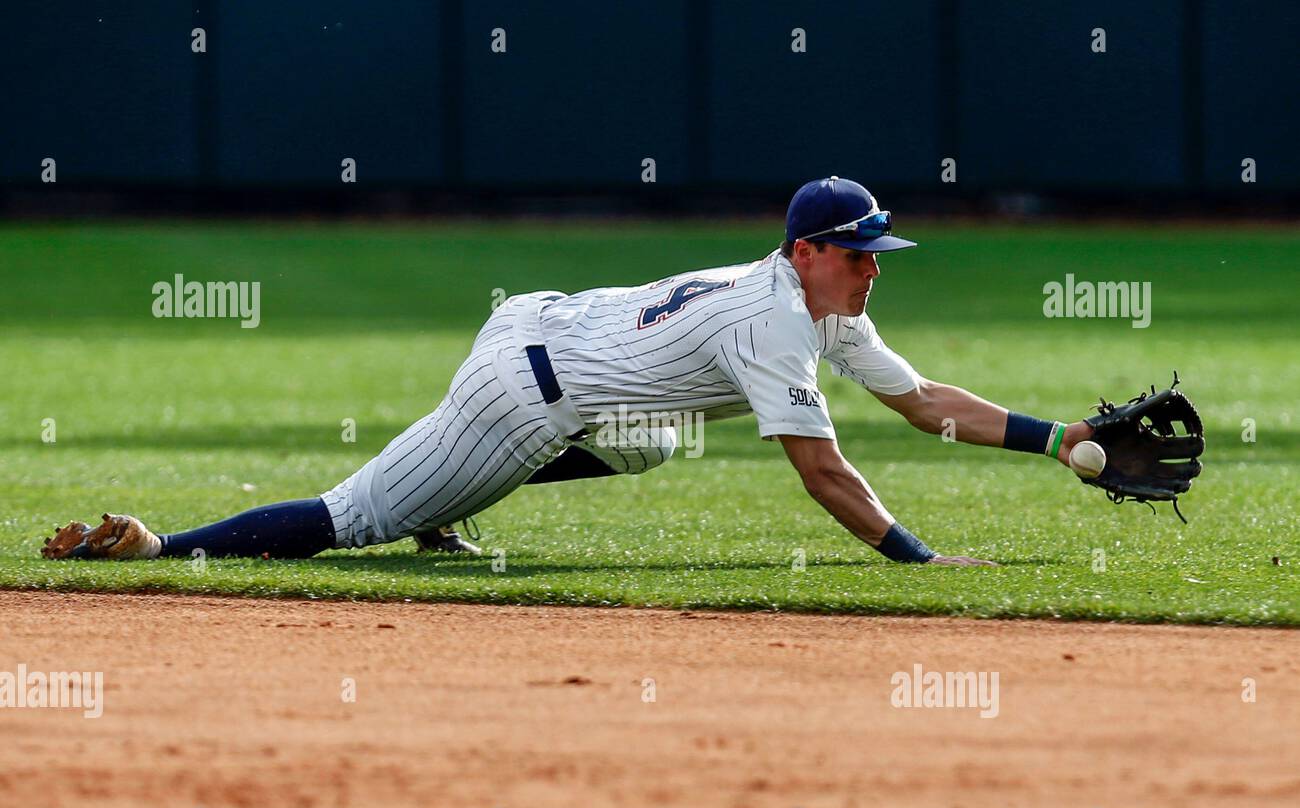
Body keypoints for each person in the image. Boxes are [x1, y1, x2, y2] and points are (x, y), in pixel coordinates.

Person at [41, 176, 1094, 566]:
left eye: (877, 251)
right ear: (807, 249)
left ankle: (448, 495)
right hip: (525, 394)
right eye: (858, 249)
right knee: (351, 516)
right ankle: (158, 544)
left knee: (660, 438)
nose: (873, 266)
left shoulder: (822, 308)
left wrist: (1061, 441)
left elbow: (921, 405)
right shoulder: (777, 322)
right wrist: (916, 558)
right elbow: (824, 474)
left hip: (545, 327)